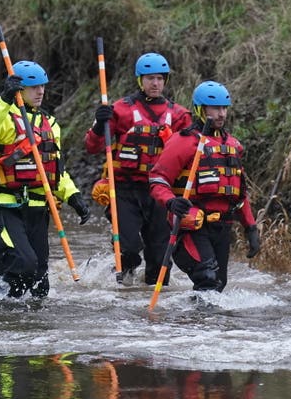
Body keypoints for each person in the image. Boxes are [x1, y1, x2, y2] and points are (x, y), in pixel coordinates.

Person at [0, 60, 92, 298]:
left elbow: (56, 169)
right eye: (33, 87)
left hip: (37, 207)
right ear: (19, 90)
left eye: (43, 86)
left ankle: (20, 319)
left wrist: (73, 196)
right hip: (3, 205)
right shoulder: (4, 116)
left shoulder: (51, 124)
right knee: (24, 263)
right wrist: (4, 99)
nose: (40, 92)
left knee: (40, 283)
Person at [84, 52, 192, 285]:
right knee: (130, 248)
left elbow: (191, 151)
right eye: (150, 78)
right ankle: (123, 278)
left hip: (160, 191)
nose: (155, 83)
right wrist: (99, 124)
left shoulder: (179, 115)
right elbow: (93, 146)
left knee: (159, 256)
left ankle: (153, 296)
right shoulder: (120, 110)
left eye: (160, 79)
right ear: (140, 80)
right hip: (125, 189)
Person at [148, 81, 260, 293]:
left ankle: (202, 324)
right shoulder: (183, 142)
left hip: (222, 226)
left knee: (218, 285)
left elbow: (239, 193)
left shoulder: (233, 146)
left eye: (224, 108)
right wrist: (171, 202)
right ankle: (191, 323)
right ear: (200, 109)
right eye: (215, 108)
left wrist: (250, 227)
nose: (221, 114)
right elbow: (157, 180)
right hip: (192, 227)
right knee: (207, 279)